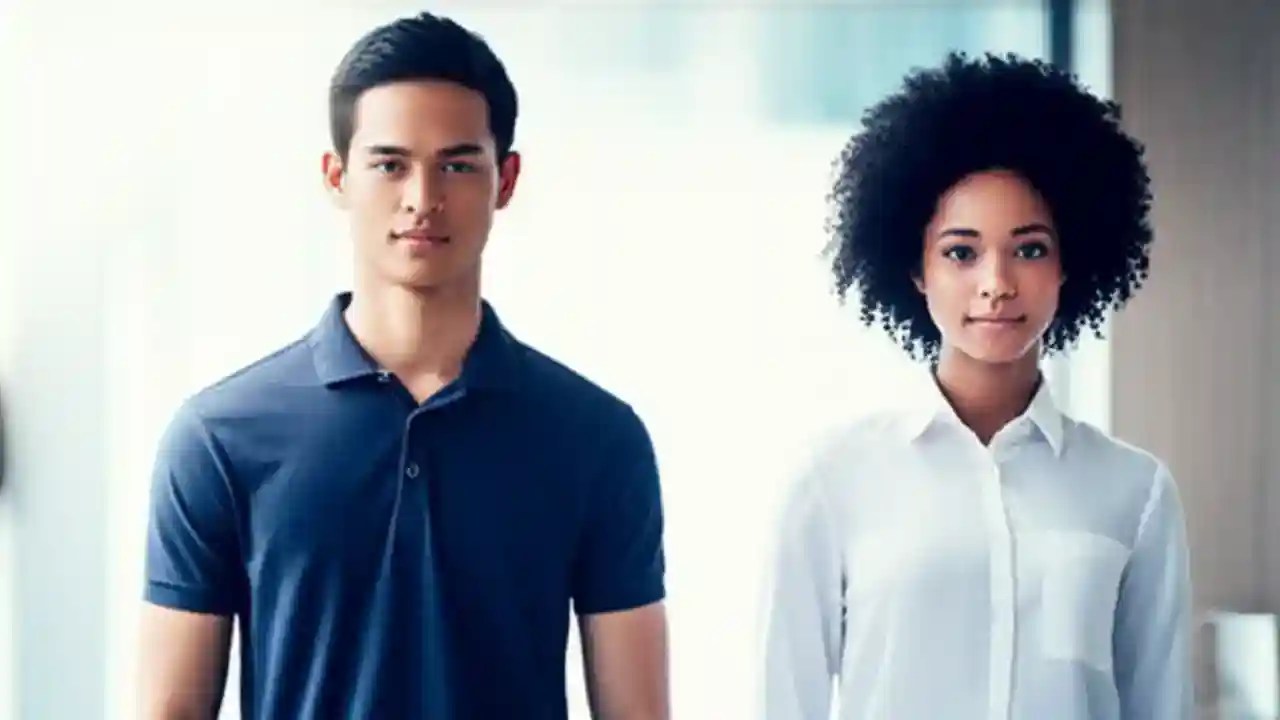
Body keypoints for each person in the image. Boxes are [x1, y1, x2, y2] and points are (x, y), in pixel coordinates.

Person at [140, 12, 668, 719]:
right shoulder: (218, 439)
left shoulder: (598, 439)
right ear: (336, 176)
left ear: (505, 179)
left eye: (457, 163)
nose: (422, 197)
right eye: (390, 164)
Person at [761, 52, 1191, 719]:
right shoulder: (832, 480)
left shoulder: (1135, 493)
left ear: (1069, 263)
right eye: (961, 252)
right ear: (915, 267)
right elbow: (783, 703)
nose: (996, 283)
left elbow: (1159, 705)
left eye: (1030, 249)